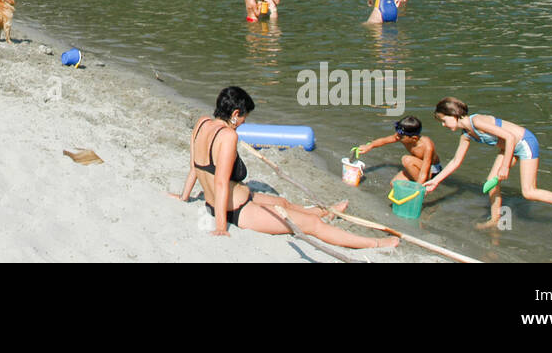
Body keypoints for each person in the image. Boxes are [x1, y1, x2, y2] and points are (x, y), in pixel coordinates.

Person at [168, 87, 397, 248]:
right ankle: (376, 243)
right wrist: (221, 226)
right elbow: (219, 182)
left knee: (283, 203)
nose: (245, 122)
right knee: (312, 226)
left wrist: (183, 197)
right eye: (245, 117)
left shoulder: (201, 123)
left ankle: (324, 211)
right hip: (235, 211)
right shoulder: (228, 136)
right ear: (236, 114)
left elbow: (193, 168)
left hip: (233, 199)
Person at [426, 97, 552, 235]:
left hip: (524, 143)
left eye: (443, 120)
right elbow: (456, 161)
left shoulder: (477, 121)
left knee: (529, 191)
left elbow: (510, 137)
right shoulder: (466, 135)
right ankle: (496, 219)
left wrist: (505, 167)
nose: (443, 125)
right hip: (507, 147)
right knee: (491, 182)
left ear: (453, 114)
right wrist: (436, 181)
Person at [356, 116, 442, 185]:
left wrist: (418, 188)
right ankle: (414, 188)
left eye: (401, 137)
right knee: (394, 184)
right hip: (417, 164)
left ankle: (422, 188)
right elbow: (385, 140)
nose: (397, 137)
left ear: (414, 138)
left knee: (406, 159)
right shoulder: (402, 136)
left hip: (431, 170)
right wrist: (369, 146)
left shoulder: (427, 146)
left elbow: (424, 171)